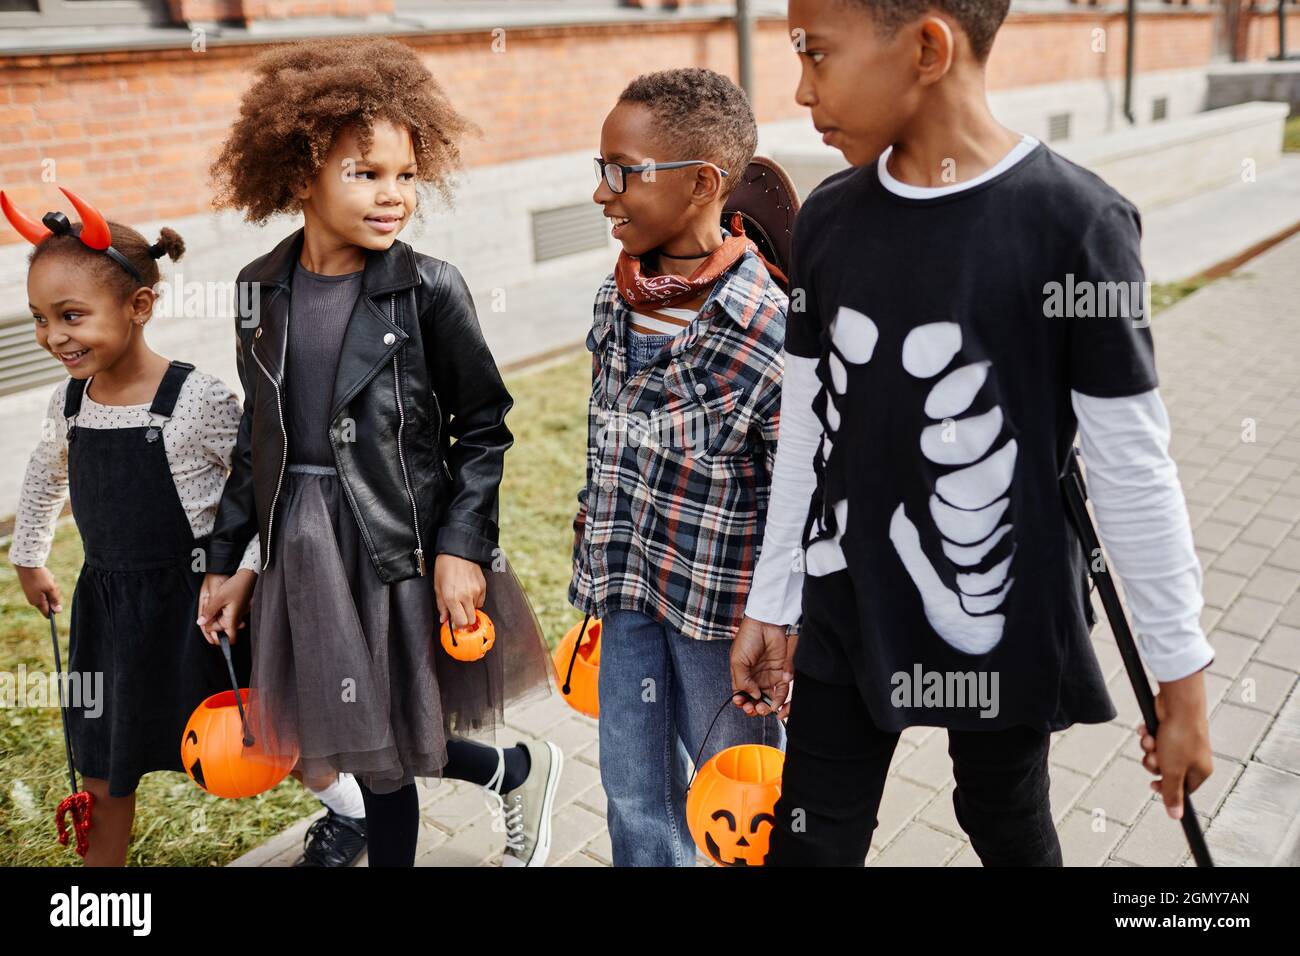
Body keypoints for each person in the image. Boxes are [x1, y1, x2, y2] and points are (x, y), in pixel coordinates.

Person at [733, 0, 1215, 866]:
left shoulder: (1077, 226)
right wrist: (773, 600)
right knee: (813, 832)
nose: (801, 91)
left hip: (1005, 611)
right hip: (849, 599)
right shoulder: (830, 221)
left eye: (817, 56)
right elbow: (809, 427)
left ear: (925, 48)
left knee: (1001, 815)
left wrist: (1182, 682)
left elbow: (1131, 469)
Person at [198, 37, 560, 868]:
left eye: (405, 174)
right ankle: (513, 770)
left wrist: (463, 547)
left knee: (387, 755)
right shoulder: (260, 286)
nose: (393, 195)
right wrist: (231, 561)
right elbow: (262, 440)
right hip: (304, 546)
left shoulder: (427, 287)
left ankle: (489, 786)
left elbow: (486, 424)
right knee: (343, 739)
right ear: (300, 177)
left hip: (395, 542)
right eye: (365, 173)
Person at [571, 68, 788, 866]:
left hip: (722, 625)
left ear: (702, 183)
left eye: (622, 172)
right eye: (602, 170)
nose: (604, 193)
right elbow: (605, 445)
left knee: (741, 807)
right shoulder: (615, 297)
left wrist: (781, 619)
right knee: (634, 794)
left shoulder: (766, 328)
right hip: (627, 596)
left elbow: (804, 497)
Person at [6, 187, 256, 866]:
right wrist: (28, 554)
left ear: (140, 306)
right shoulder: (70, 401)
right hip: (110, 609)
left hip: (201, 609)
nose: (54, 336)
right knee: (103, 760)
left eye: (72, 315)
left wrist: (245, 572)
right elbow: (44, 470)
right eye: (39, 319)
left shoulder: (196, 397)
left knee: (251, 741)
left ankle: (348, 804)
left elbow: (262, 484)